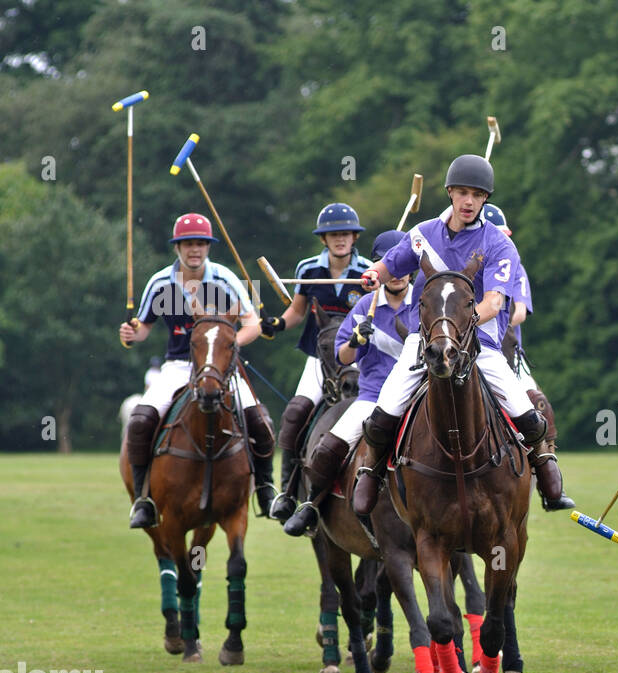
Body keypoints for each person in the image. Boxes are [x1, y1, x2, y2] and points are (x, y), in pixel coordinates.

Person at [351, 155, 573, 514]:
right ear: (450, 192)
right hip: (423, 343)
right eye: (463, 193)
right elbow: (390, 264)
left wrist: (455, 332)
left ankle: (546, 472)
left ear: (486, 199)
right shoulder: (422, 235)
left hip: (479, 344)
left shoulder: (499, 244)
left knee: (525, 411)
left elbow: (494, 302)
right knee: (384, 411)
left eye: (477, 195)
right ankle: (370, 472)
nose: (469, 201)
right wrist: (373, 273)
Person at [119, 213, 276, 528]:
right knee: (140, 418)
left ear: (208, 247)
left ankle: (265, 490)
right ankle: (143, 499)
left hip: (220, 368)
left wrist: (229, 345)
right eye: (188, 244)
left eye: (201, 244)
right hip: (178, 367)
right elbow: (144, 327)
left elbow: (252, 325)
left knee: (258, 420)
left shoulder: (225, 280)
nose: (195, 250)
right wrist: (131, 334)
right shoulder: (160, 282)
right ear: (177, 247)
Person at [281, 230, 413, 536]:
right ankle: (311, 506)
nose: (396, 274)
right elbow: (341, 357)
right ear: (378, 270)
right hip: (372, 397)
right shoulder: (365, 306)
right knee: (328, 448)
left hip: (416, 396)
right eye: (387, 267)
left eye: (401, 267)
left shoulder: (423, 303)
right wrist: (355, 340)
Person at [261, 203, 373, 522]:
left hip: (356, 358)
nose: (340, 240)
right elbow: (297, 311)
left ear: (354, 237)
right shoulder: (308, 270)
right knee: (296, 412)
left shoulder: (368, 272)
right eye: (333, 235)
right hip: (318, 355)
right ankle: (287, 490)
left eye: (345, 234)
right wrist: (278, 325)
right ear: (324, 239)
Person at [487, 202, 562, 460]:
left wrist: (495, 314)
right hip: (465, 353)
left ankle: (547, 471)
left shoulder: (514, 270)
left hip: (509, 358)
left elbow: (519, 313)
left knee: (539, 404)